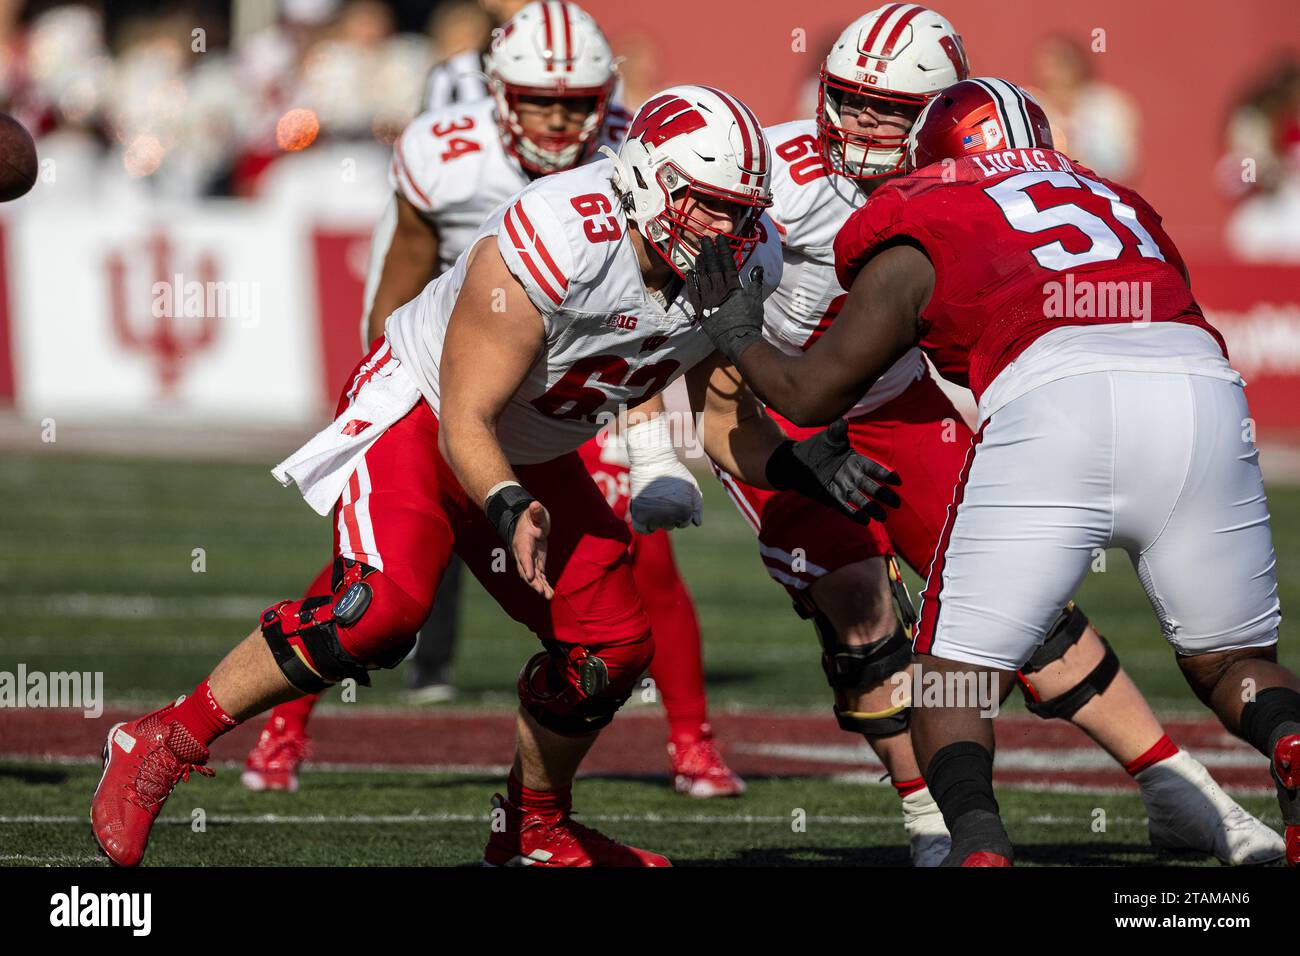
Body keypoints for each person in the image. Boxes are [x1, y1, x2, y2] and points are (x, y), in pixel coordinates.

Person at [91, 83, 897, 868]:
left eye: (743, 209)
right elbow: (465, 418)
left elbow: (723, 422)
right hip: (425, 405)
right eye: (707, 203)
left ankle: (533, 830)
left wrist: (803, 461)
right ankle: (163, 735)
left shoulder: (747, 256)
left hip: (534, 439)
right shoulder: (559, 235)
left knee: (611, 646)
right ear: (647, 179)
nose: (727, 228)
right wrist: (507, 500)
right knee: (378, 611)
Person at [705, 3, 1283, 868]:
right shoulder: (770, 177)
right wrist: (723, 447)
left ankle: (1176, 786)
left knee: (1024, 618)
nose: (859, 126)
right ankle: (932, 820)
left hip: (892, 402)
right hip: (770, 403)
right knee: (858, 609)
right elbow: (699, 341)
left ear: (943, 113)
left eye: (888, 111)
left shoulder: (948, 195)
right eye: (846, 101)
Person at [243, 1, 742, 800]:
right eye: (540, 98)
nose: (559, 118)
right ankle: (283, 725)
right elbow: (398, 286)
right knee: (382, 575)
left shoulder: (646, 156)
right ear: (496, 92)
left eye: (580, 101)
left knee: (639, 555)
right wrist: (386, 407)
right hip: (464, 368)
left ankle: (689, 742)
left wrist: (652, 451)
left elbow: (652, 323)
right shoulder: (448, 153)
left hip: (581, 382)